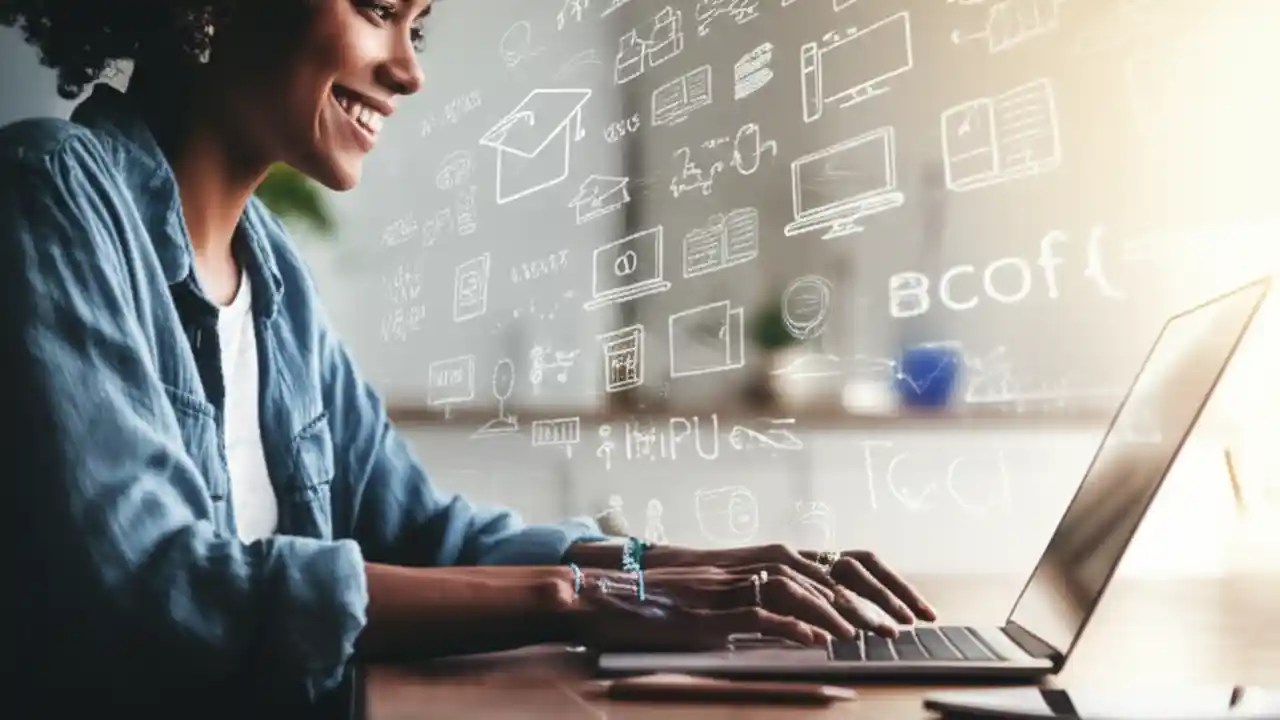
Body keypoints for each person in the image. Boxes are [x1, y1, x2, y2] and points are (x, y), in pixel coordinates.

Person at [0, 0, 935, 713]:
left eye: (420, 25)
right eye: (377, 10)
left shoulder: (270, 270)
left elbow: (422, 532)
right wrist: (580, 599)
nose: (407, 71)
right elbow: (150, 584)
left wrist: (672, 568)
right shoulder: (51, 193)